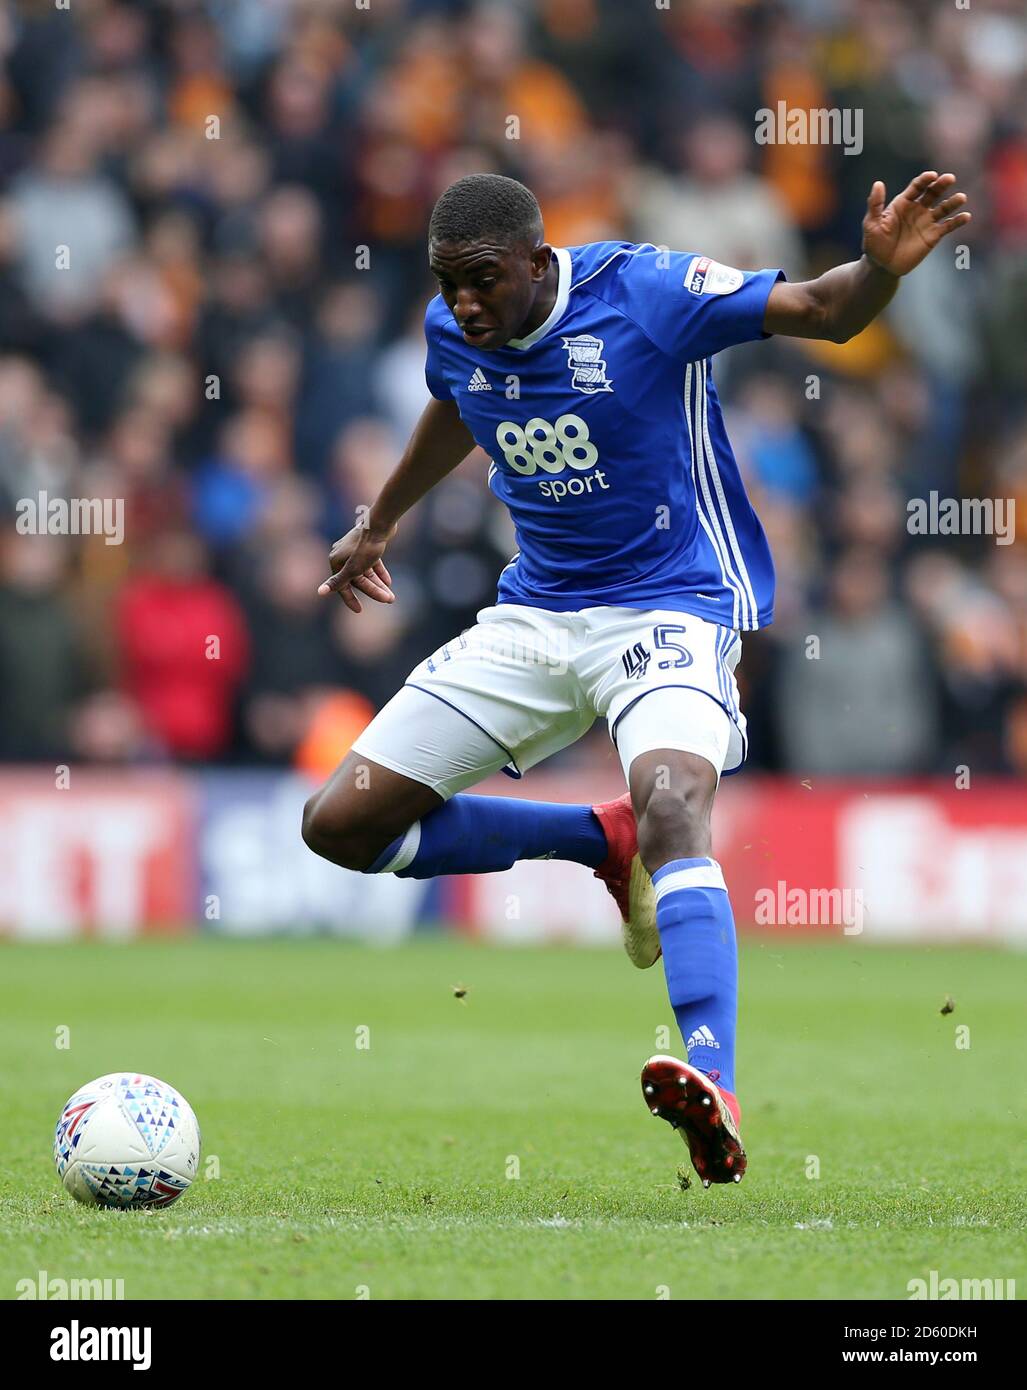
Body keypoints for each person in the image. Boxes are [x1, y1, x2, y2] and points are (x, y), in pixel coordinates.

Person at [302, 171, 970, 1187]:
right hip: (531, 616)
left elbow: (824, 313)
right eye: (449, 282)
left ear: (537, 259)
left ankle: (715, 1079)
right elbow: (455, 399)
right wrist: (379, 519)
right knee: (339, 825)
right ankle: (592, 838)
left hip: (668, 605)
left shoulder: (647, 293)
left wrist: (876, 271)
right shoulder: (455, 327)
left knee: (673, 806)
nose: (465, 303)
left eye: (483, 280)